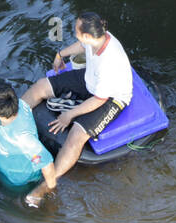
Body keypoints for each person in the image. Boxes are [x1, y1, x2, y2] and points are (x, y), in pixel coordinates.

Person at [20, 11, 133, 207]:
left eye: (77, 31)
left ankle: (46, 186)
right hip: (91, 81)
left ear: (89, 35)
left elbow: (99, 99)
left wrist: (69, 115)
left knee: (76, 136)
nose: (74, 33)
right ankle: (9, 120)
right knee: (40, 86)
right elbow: (82, 46)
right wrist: (60, 54)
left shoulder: (109, 61)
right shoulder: (95, 39)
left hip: (111, 99)